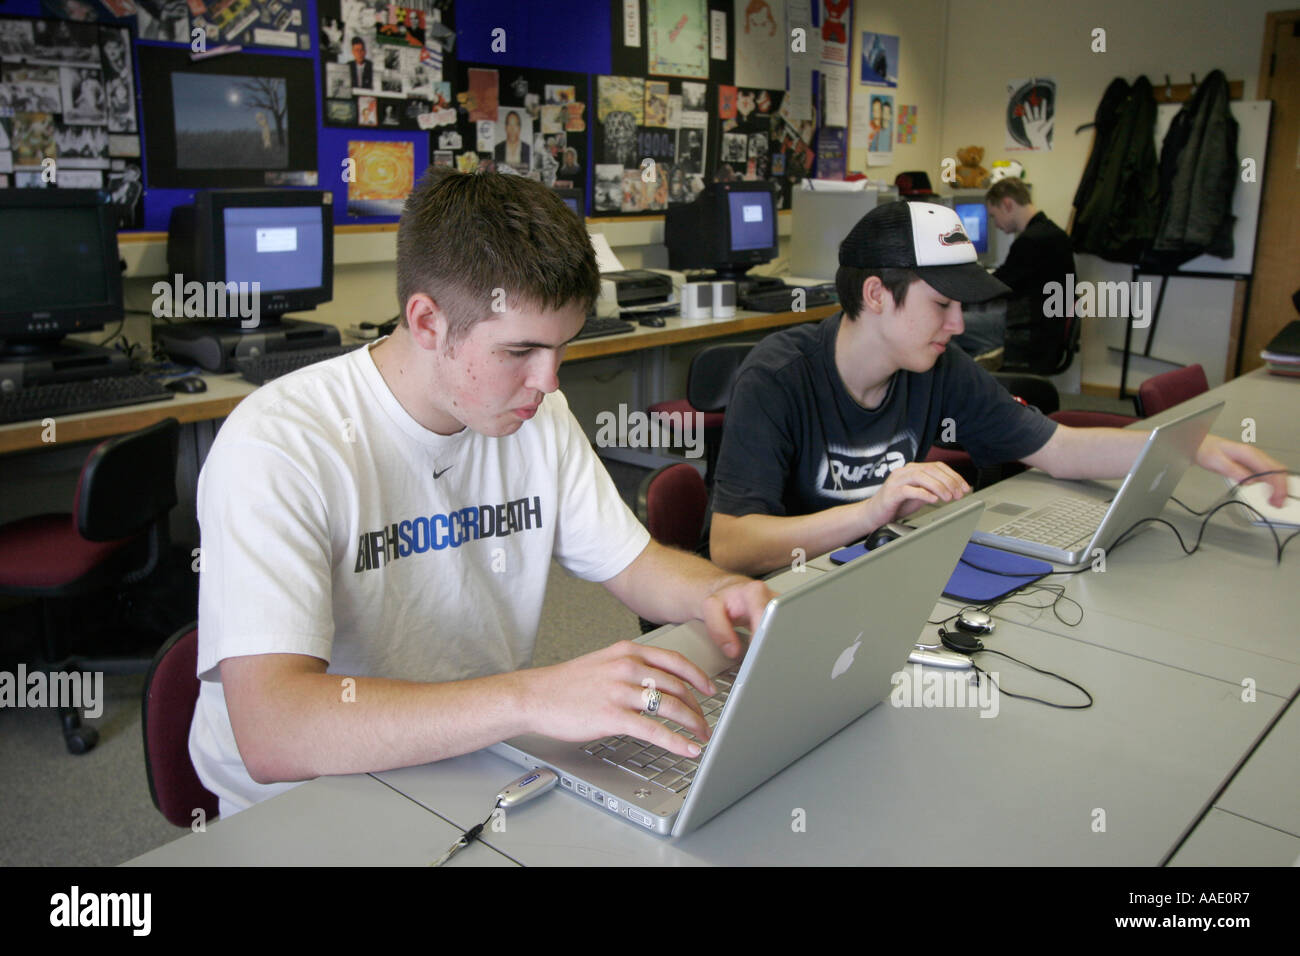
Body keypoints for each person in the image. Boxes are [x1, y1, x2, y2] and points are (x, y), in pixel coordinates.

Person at [190, 169, 773, 816]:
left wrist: (720, 593)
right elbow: (275, 732)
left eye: (561, 348)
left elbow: (632, 563)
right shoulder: (280, 444)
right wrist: (530, 698)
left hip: (474, 759)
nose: (549, 383)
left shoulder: (531, 414)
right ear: (427, 322)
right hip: (313, 801)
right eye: (519, 350)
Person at [708, 200, 1288, 577]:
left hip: (869, 579)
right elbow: (731, 546)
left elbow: (1059, 449)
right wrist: (874, 509)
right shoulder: (778, 377)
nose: (959, 324)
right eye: (942, 304)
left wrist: (1193, 447)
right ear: (878, 294)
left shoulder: (936, 365)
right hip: (785, 601)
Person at [958, 177, 1075, 369]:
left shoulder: (1031, 241)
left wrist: (955, 294)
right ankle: (986, 360)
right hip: (1046, 328)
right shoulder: (1054, 233)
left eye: (994, 216)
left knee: (947, 327)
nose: (995, 224)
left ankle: (987, 364)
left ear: (1007, 204)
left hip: (1029, 332)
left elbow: (997, 286)